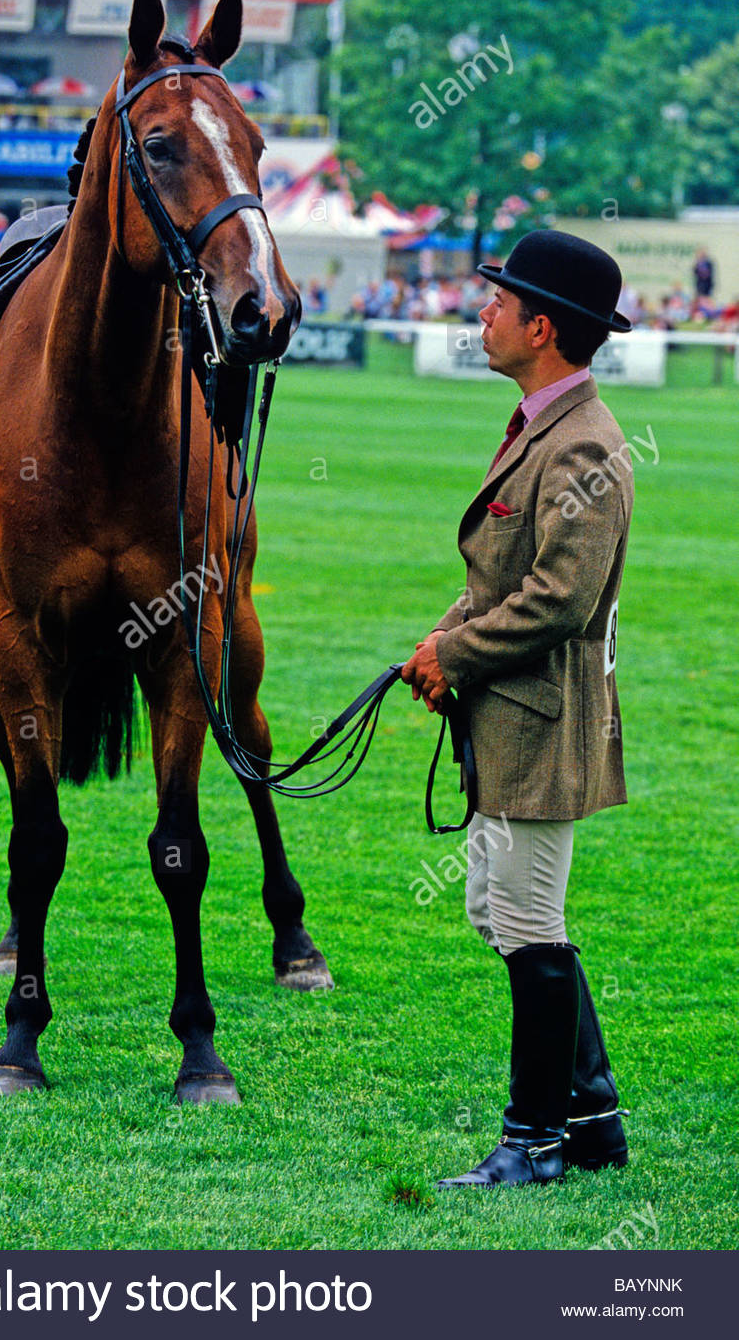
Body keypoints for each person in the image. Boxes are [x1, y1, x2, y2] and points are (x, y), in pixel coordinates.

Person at [402, 230, 634, 1188]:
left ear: (540, 328)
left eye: (496, 302)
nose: (481, 314)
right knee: (498, 911)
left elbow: (557, 600)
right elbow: (503, 574)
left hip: (543, 720)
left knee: (528, 922)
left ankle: (535, 1141)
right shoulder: (543, 424)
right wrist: (439, 641)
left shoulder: (582, 443)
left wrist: (452, 653)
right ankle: (591, 1117)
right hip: (510, 712)